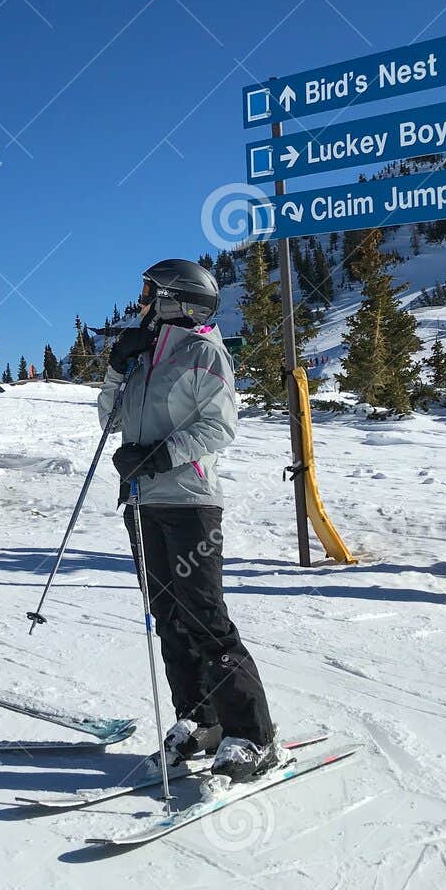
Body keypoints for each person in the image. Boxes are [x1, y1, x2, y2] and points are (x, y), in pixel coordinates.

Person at [97, 258, 278, 782]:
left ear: (179, 299)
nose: (143, 303)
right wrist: (117, 367)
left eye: (150, 293)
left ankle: (253, 734)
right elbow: (108, 419)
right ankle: (200, 720)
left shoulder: (205, 352)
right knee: (168, 617)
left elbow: (219, 428)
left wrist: (157, 455)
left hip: (190, 500)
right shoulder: (144, 353)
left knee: (204, 616)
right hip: (143, 503)